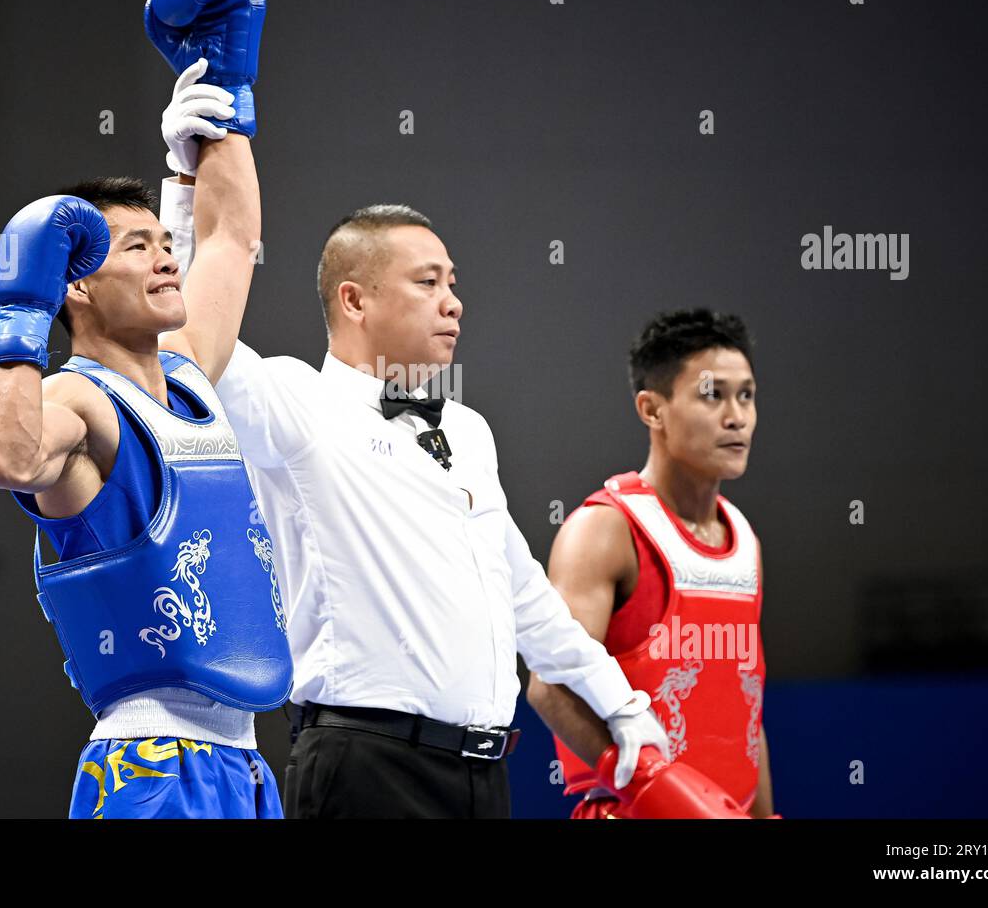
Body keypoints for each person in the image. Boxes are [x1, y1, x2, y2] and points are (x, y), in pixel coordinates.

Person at [161, 191, 672, 815]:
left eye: (452, 283)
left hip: (484, 778)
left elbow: (526, 598)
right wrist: (187, 186)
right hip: (365, 769)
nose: (453, 302)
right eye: (427, 282)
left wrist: (618, 703)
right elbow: (187, 331)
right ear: (354, 299)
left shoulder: (469, 430)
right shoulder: (297, 402)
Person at [0, 0, 291, 818]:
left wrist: (223, 90)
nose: (163, 255)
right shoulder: (82, 402)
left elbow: (230, 236)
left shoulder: (191, 371)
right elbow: (1, 455)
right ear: (74, 285)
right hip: (149, 763)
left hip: (248, 768)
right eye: (135, 247)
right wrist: (18, 314)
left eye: (161, 240)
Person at [527, 308, 777, 817]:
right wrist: (654, 789)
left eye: (746, 395)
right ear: (651, 409)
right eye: (713, 394)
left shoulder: (745, 541)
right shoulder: (603, 530)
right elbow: (550, 686)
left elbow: (745, 708)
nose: (736, 416)